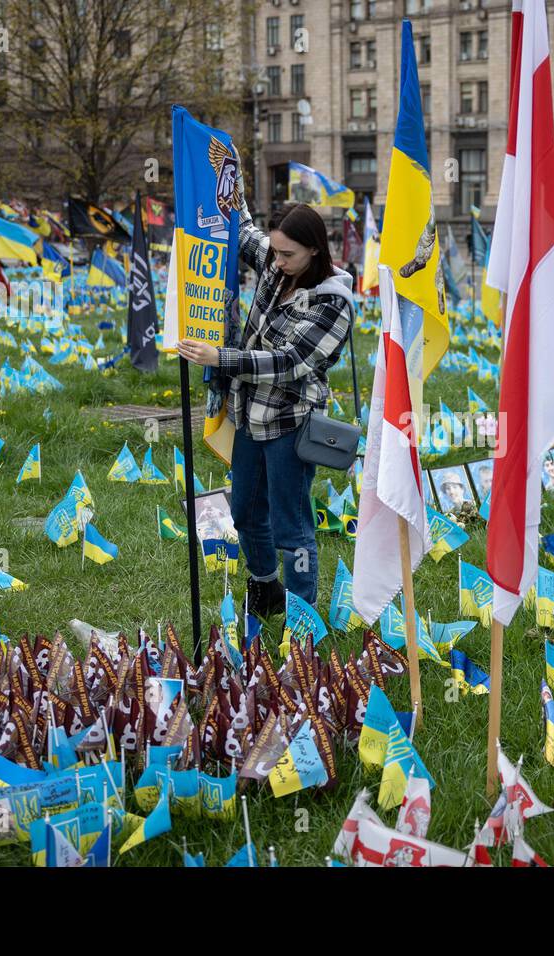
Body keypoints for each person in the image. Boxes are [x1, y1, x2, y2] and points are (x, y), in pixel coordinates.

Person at [177, 153, 355, 619]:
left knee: (290, 526)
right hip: (248, 416)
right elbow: (243, 231)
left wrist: (222, 358)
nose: (276, 261)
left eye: (287, 254)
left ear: (315, 250)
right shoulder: (278, 267)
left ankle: (303, 615)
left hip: (290, 423)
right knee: (243, 513)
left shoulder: (334, 303)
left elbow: (290, 361)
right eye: (275, 251)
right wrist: (219, 170)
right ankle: (265, 587)